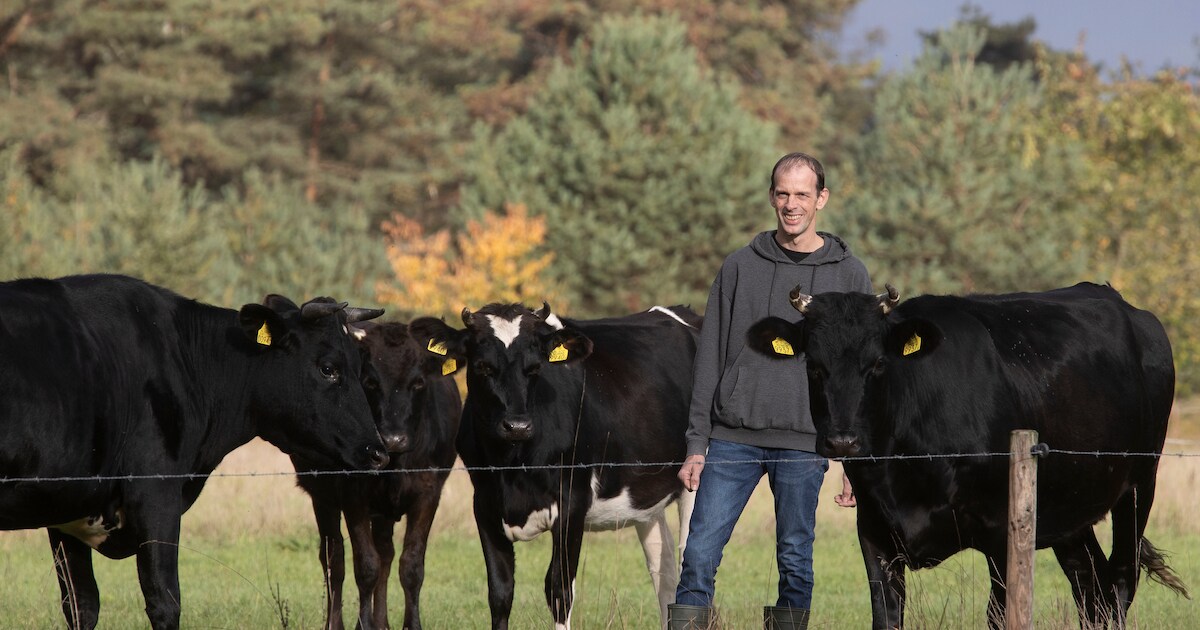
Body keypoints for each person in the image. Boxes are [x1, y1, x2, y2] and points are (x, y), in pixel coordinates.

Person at [669, 152, 870, 630]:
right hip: (732, 438)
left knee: (795, 560)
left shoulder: (850, 274)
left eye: (802, 194)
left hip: (805, 443)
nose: (791, 204)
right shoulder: (740, 266)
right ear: (771, 197)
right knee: (698, 553)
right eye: (783, 193)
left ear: (821, 198)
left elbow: (859, 376)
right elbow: (709, 358)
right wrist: (696, 444)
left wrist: (854, 460)